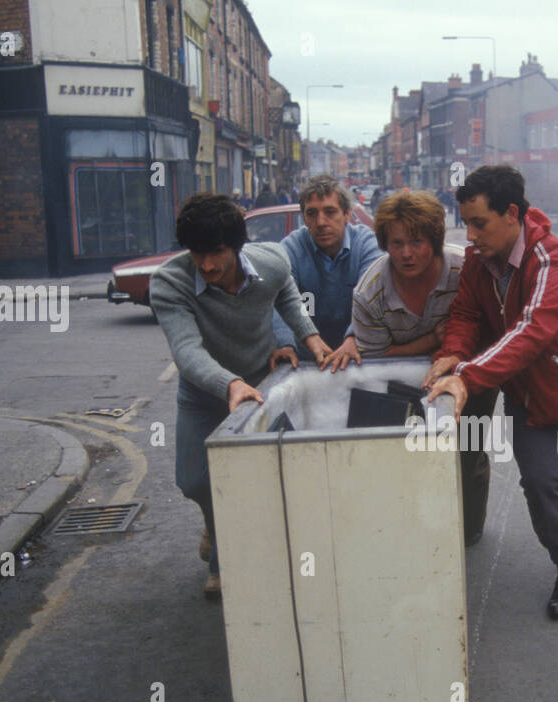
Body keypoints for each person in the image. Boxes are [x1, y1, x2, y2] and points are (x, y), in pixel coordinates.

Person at [424, 165, 558, 619]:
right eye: (464, 222)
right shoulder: (477, 262)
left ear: (511, 214)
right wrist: (452, 353)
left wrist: (466, 375)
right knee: (540, 481)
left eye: (478, 223)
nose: (469, 235)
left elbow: (532, 330)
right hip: (527, 395)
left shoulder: (553, 260)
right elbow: (467, 315)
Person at [149, 193, 333, 598]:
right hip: (205, 391)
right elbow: (187, 352)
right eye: (198, 254)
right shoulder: (169, 282)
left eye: (216, 252)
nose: (208, 265)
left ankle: (224, 563)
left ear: (236, 246)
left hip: (258, 387)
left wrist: (308, 334)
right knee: (193, 481)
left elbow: (284, 291)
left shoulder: (271, 260)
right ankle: (214, 527)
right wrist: (228, 384)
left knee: (248, 478)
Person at [350, 191, 495, 546]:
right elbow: (375, 363)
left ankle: (467, 528)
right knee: (407, 455)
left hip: (468, 374)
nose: (406, 254)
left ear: (435, 240)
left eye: (417, 242)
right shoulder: (369, 293)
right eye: (396, 243)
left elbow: (492, 332)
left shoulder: (467, 270)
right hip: (400, 382)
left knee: (467, 452)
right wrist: (432, 339)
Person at [271, 174, 382, 371]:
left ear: (347, 214)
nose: (321, 222)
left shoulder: (366, 243)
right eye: (311, 213)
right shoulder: (291, 247)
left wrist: (354, 336)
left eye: (330, 212)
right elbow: (278, 300)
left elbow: (372, 296)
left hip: (359, 358)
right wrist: (285, 344)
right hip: (307, 362)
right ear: (303, 217)